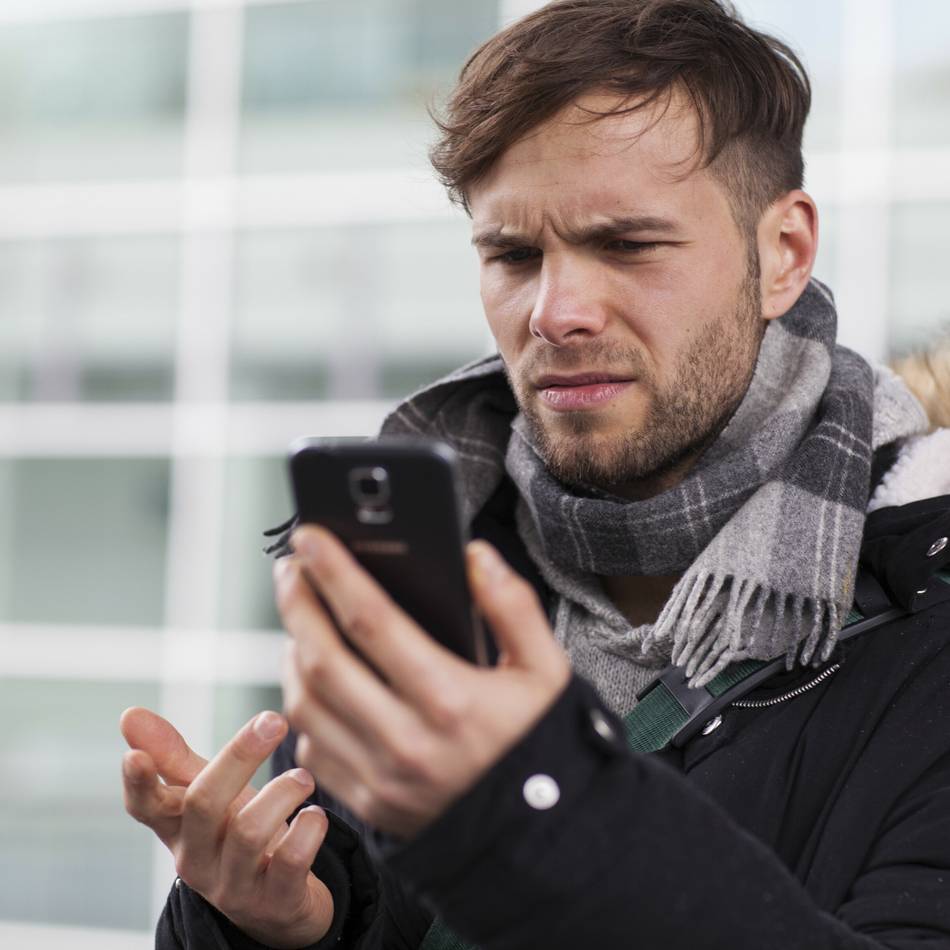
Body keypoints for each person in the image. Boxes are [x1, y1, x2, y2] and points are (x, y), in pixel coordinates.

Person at [120, 1, 950, 947]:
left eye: (627, 244)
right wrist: (287, 924)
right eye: (514, 255)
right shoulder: (437, 555)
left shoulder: (927, 610)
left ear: (783, 254)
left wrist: (534, 807)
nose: (556, 312)